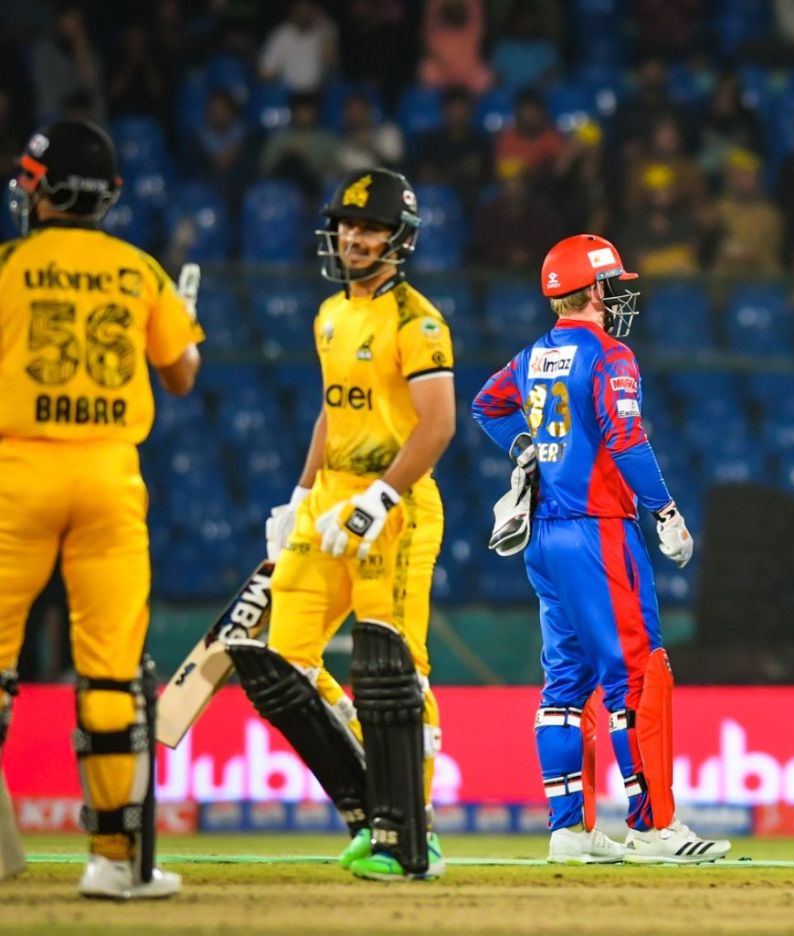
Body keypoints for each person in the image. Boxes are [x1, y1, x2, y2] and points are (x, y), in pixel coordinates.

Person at [472, 234, 730, 865]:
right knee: (638, 676)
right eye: (612, 285)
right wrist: (665, 510)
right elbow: (628, 440)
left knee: (564, 683)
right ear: (592, 290)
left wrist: (526, 448)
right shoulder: (611, 355)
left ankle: (570, 830)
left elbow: (488, 405)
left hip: (545, 535)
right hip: (598, 531)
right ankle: (652, 827)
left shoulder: (533, 356)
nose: (617, 296)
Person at [0, 119, 202, 897]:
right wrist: (183, 331)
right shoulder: (139, 271)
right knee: (112, 675)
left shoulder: (12, 264)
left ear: (41, 190)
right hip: (111, 478)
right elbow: (180, 377)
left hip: (15, 469)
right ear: (111, 196)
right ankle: (116, 863)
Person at [247, 168, 456, 882]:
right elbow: (334, 411)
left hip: (393, 515)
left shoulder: (417, 322)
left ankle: (414, 831)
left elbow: (438, 426)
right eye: (347, 224)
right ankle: (376, 800)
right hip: (331, 503)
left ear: (398, 239)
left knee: (396, 676)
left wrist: (381, 500)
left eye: (368, 228)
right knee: (284, 663)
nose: (354, 238)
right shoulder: (330, 314)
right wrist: (300, 495)